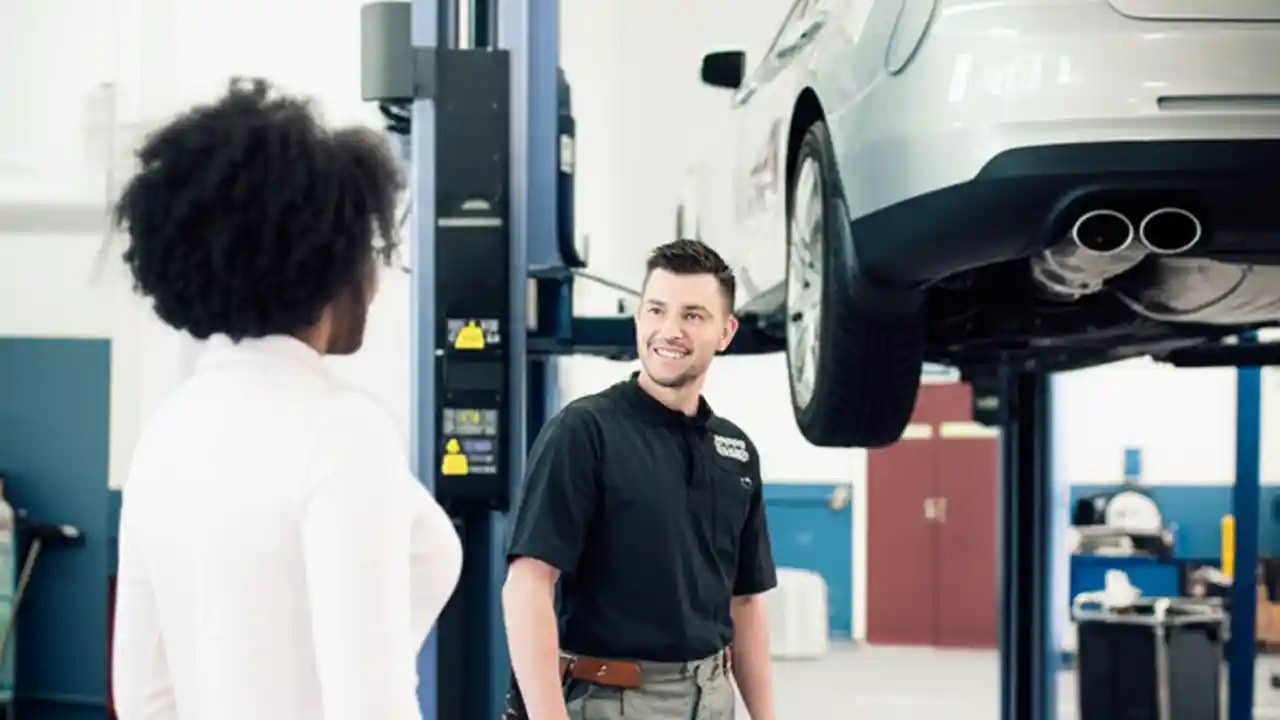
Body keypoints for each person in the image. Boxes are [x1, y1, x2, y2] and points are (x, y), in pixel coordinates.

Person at [109, 78, 462, 720]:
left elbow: (143, 698)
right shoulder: (341, 432)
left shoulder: (168, 431)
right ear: (325, 263)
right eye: (367, 252)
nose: (376, 279)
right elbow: (371, 705)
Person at [502, 239, 779, 720]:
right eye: (656, 310)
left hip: (713, 700)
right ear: (639, 317)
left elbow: (746, 603)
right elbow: (527, 585)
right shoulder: (585, 431)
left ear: (725, 331)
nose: (669, 330)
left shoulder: (735, 453)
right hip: (613, 701)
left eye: (693, 315)